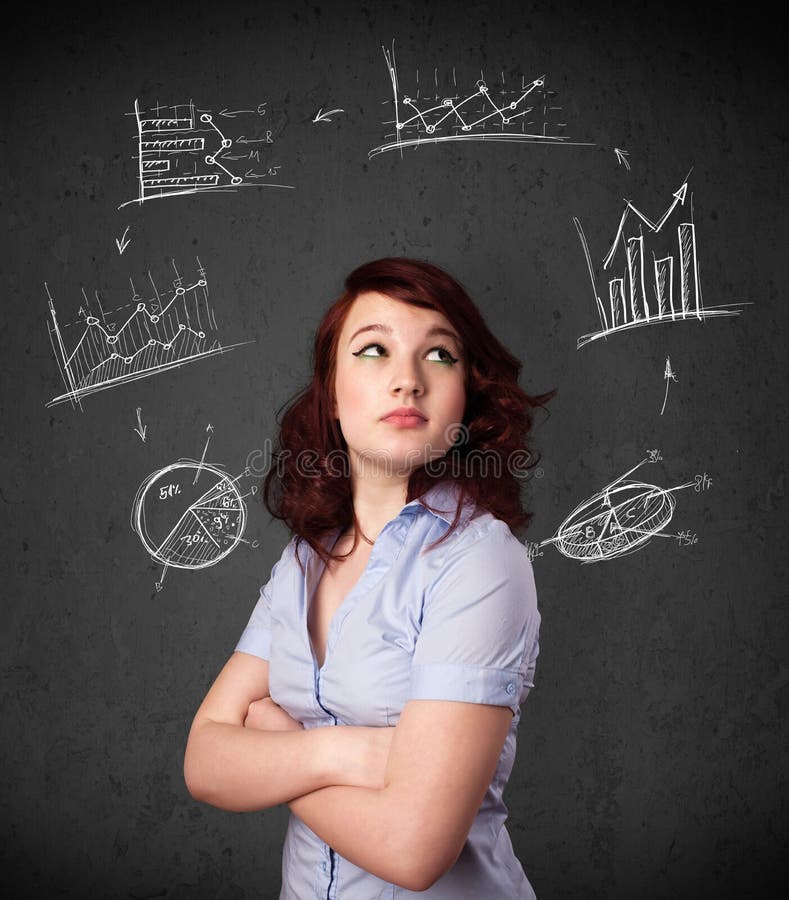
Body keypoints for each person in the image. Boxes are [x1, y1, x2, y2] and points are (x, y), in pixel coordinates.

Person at [184, 257, 553, 897]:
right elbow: (204, 761)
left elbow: (413, 850)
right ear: (330, 389)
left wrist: (275, 746)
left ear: (467, 394)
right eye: (374, 350)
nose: (407, 380)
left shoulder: (480, 562)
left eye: (439, 355)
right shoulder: (302, 562)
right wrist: (345, 754)